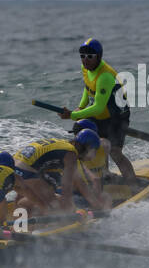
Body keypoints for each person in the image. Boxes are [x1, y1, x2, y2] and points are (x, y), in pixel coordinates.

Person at [58, 38, 142, 187]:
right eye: (82, 56)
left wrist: (72, 115)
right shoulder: (86, 69)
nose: (86, 60)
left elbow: (97, 107)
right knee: (84, 138)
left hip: (117, 117)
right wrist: (81, 107)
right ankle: (105, 174)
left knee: (115, 152)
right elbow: (88, 88)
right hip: (101, 114)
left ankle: (133, 184)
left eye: (90, 56)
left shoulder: (104, 76)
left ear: (99, 56)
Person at [12, 133, 109, 213]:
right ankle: (48, 227)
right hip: (26, 171)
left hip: (11, 170)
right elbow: (69, 186)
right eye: (95, 151)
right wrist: (97, 207)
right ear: (89, 148)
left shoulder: (63, 146)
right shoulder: (71, 154)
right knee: (57, 204)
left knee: (30, 194)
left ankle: (20, 224)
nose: (94, 155)